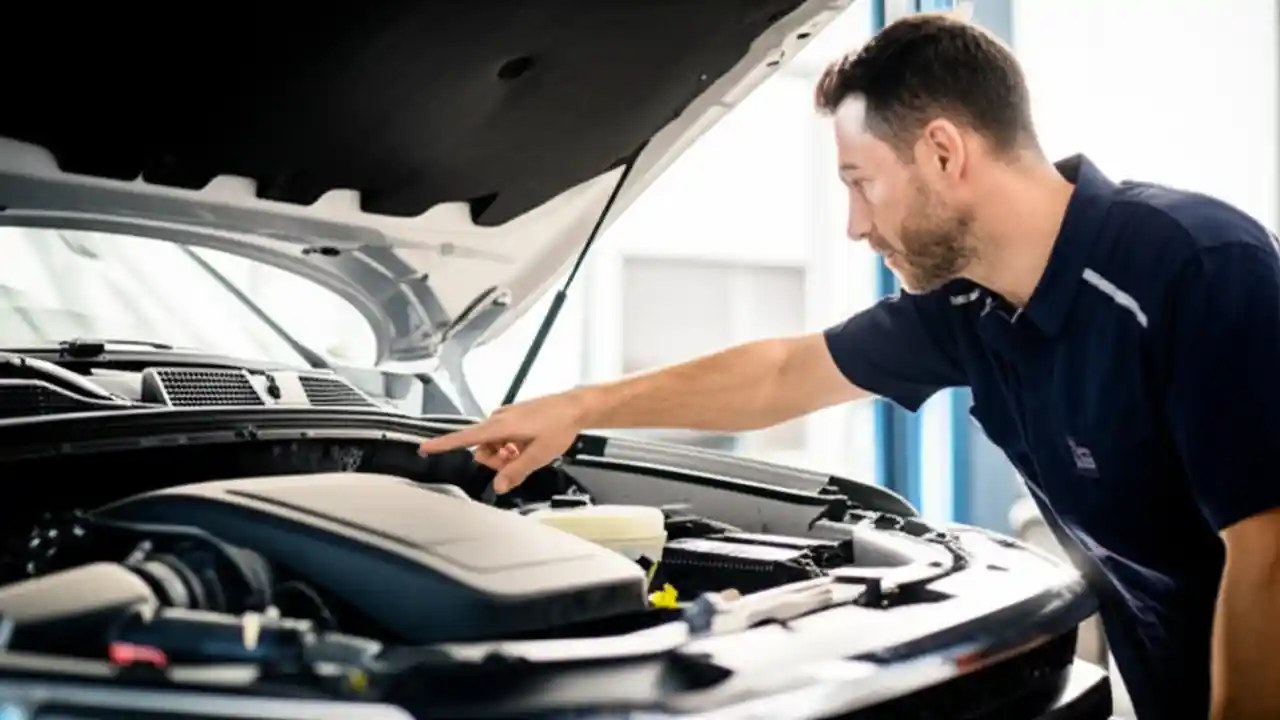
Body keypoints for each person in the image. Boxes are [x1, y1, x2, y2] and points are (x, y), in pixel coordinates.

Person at [418, 13, 1280, 720]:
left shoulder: (1198, 266)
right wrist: (580, 404)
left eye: (861, 181)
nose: (855, 227)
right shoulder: (971, 307)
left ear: (944, 153)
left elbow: (1270, 551)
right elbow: (783, 374)